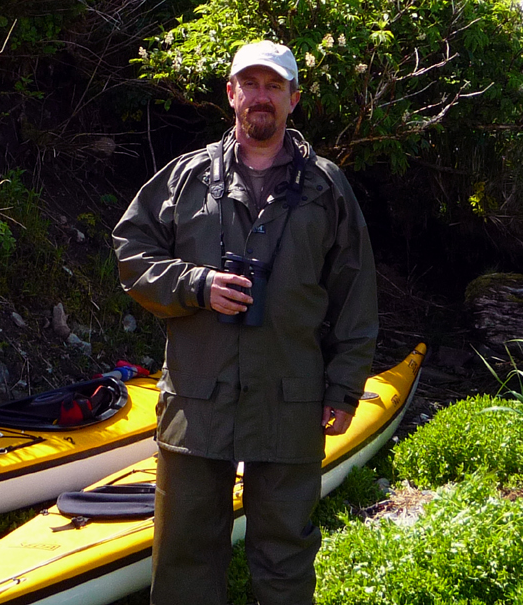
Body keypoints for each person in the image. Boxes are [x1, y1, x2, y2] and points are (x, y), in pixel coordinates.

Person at [114, 39, 379, 605]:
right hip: (196, 398)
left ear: (293, 99)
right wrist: (197, 285)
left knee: (284, 555)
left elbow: (355, 296)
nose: (262, 96)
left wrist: (344, 389)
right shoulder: (184, 179)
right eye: (251, 84)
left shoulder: (327, 187)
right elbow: (131, 255)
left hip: (291, 398)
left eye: (274, 86)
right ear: (231, 93)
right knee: (184, 553)